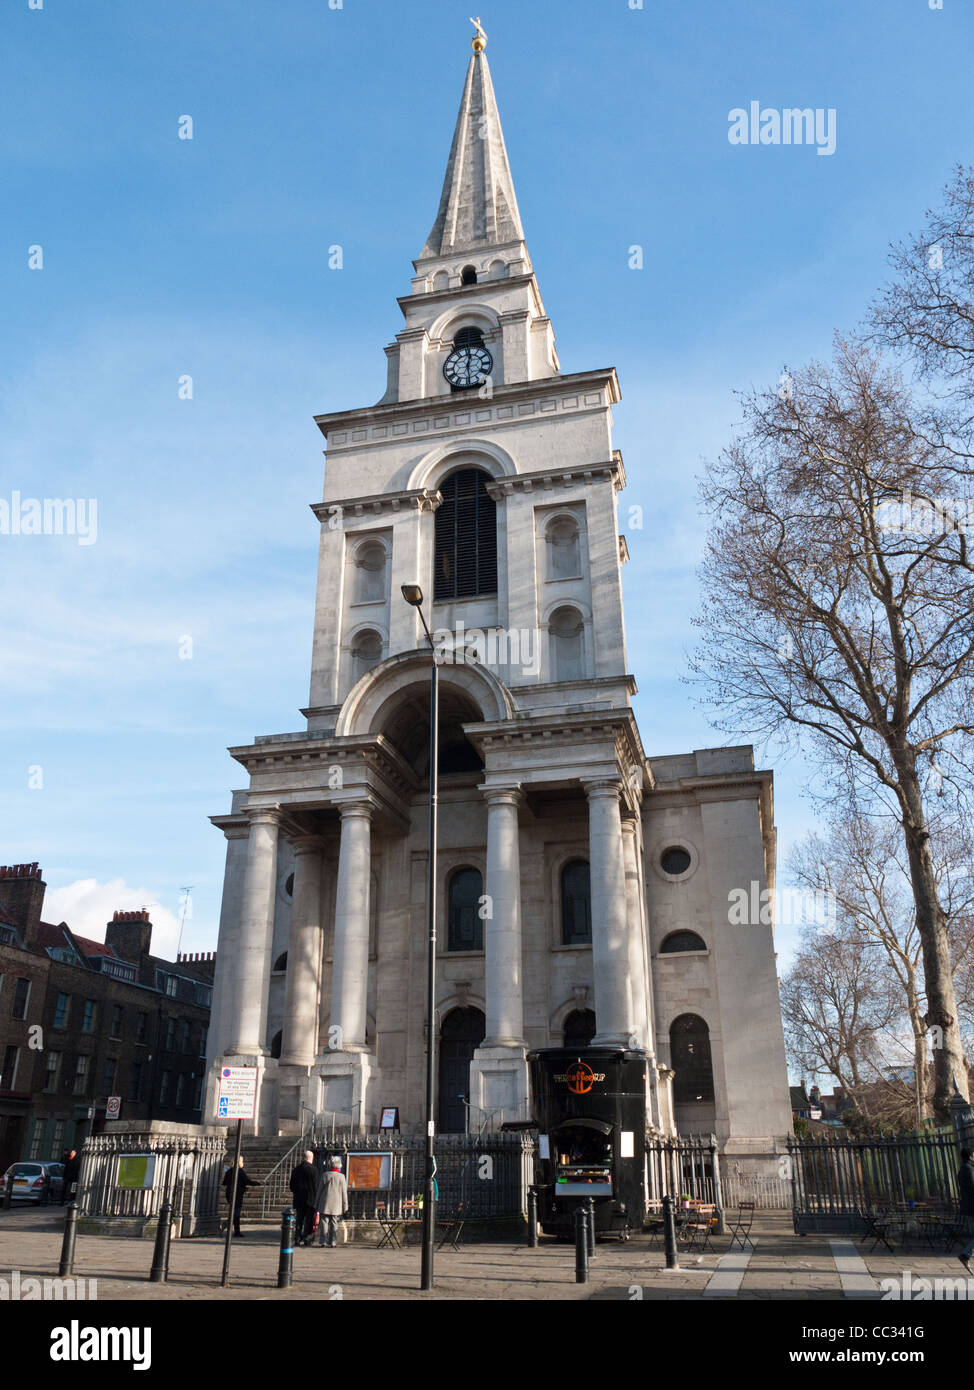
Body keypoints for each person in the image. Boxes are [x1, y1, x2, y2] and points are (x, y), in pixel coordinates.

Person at [315, 1159, 349, 1249]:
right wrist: (345, 1206)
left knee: (324, 1223)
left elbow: (319, 1190)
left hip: (324, 1203)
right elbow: (344, 1193)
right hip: (336, 1204)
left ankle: (323, 1241)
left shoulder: (325, 1175)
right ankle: (333, 1242)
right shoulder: (342, 1177)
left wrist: (316, 1203)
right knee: (334, 1224)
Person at [222, 1155, 259, 1237]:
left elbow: (224, 1182)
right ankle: (235, 1230)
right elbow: (247, 1181)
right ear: (239, 1162)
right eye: (242, 1161)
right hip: (237, 1194)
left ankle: (228, 1226)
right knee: (236, 1213)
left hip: (229, 1194)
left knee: (233, 1212)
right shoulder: (240, 1172)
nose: (243, 1163)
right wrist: (257, 1183)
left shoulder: (229, 1171)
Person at [289, 1150, 319, 1246]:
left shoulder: (296, 1169)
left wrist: (297, 1192)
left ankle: (297, 1238)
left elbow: (291, 1186)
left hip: (298, 1198)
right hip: (310, 1199)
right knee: (309, 1220)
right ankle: (306, 1238)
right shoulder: (314, 1170)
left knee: (299, 1219)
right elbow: (315, 1186)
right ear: (311, 1158)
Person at [957, 1147, 974, 1272]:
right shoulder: (968, 1169)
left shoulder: (964, 1168)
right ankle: (966, 1254)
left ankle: (966, 1254)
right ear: (969, 1156)